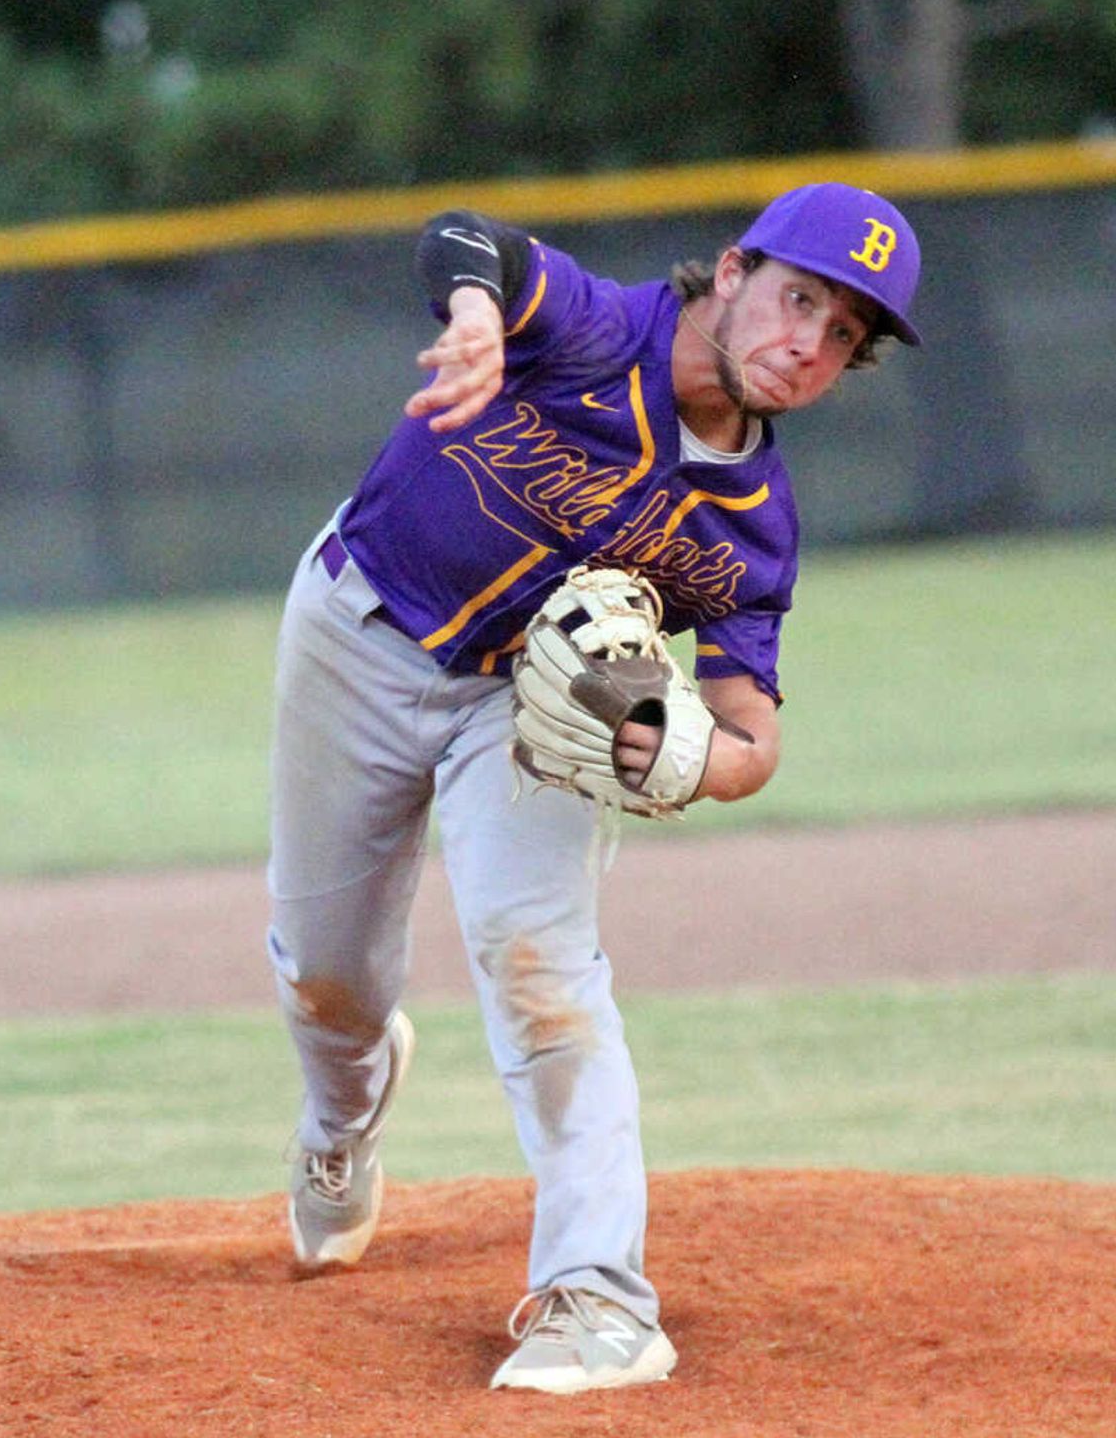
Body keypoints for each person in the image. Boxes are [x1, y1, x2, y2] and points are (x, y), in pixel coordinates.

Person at [265, 181, 922, 1394]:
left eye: (842, 337)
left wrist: (693, 763)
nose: (806, 344)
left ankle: (600, 1299)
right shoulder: (590, 327)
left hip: (532, 712)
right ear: (732, 272)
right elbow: (470, 240)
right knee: (326, 973)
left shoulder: (753, 526)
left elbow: (749, 734)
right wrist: (473, 318)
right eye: (798, 300)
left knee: (541, 966)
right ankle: (342, 1116)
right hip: (355, 628)